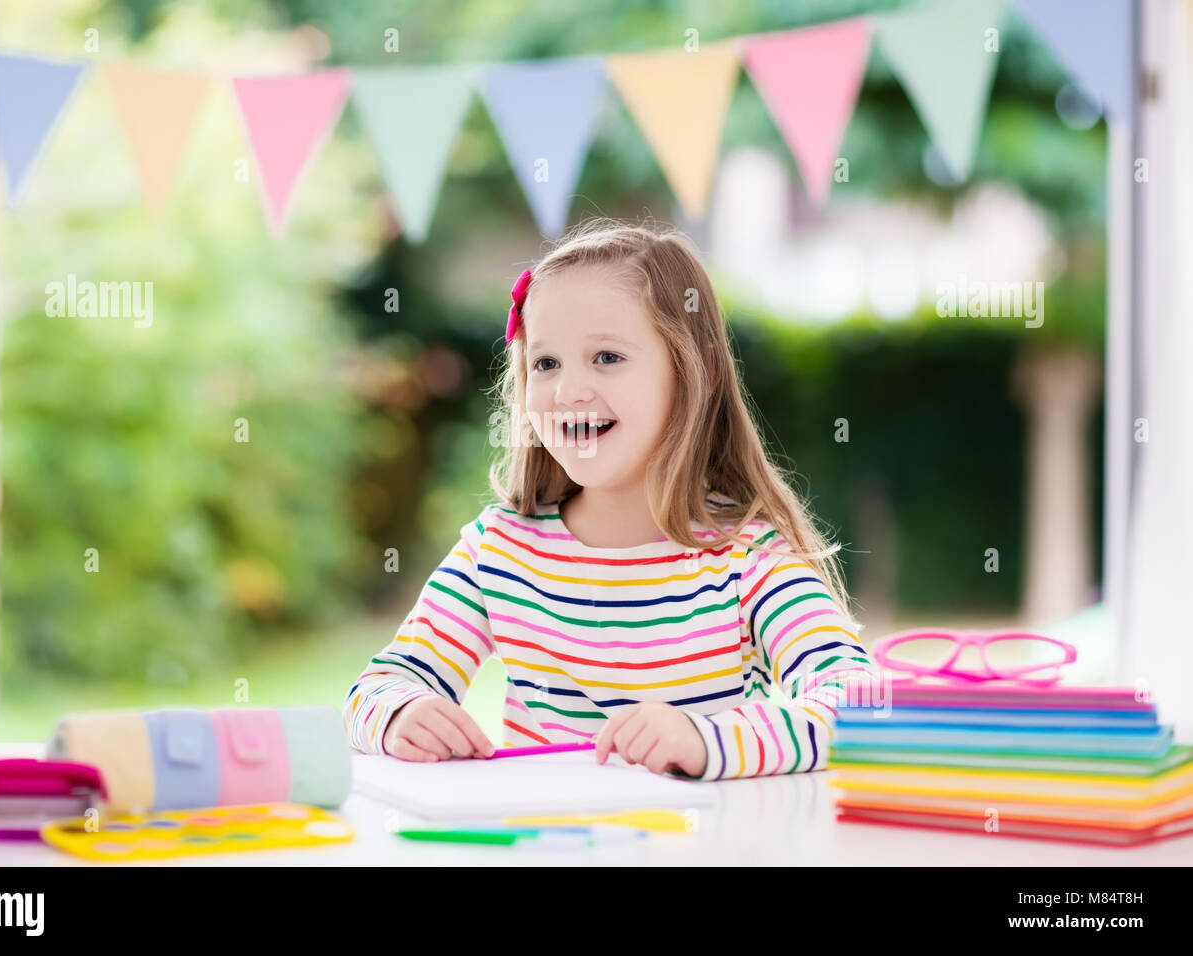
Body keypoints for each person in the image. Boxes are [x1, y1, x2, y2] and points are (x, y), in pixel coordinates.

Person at [343, 218, 879, 780]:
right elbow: (379, 685)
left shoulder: (748, 557)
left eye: (607, 357)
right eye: (546, 363)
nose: (568, 390)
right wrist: (401, 712)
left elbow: (856, 699)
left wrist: (707, 741)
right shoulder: (497, 551)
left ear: (693, 372)